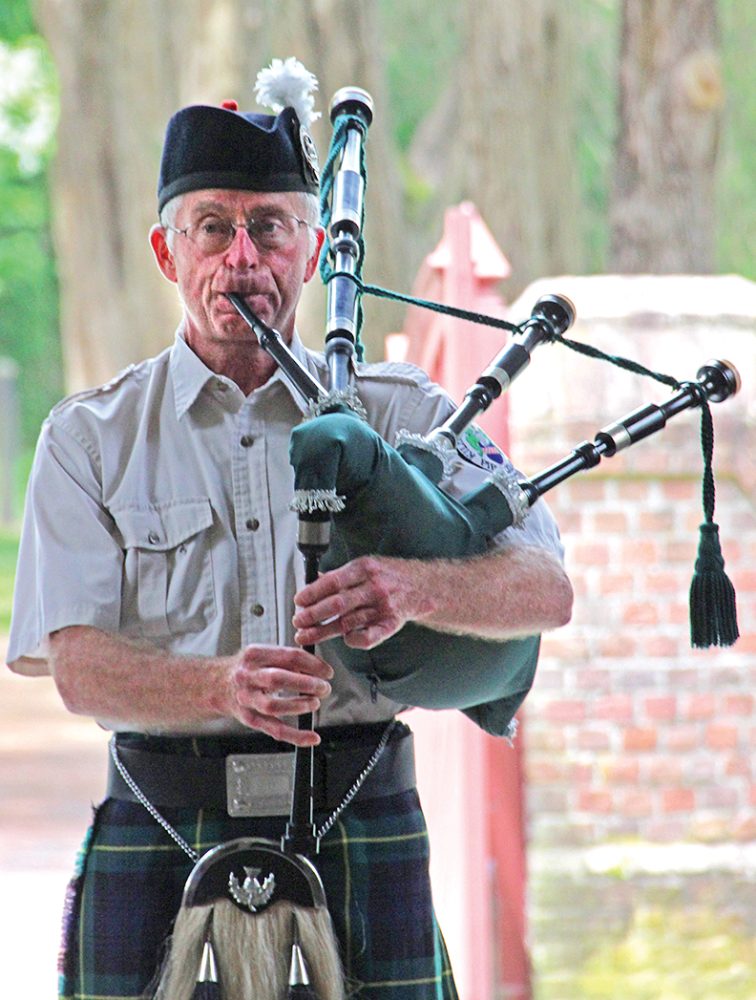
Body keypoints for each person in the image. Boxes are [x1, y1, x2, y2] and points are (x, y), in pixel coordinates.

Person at [7, 67, 572, 1000]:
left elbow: (548, 588)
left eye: (269, 227)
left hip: (360, 802)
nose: (243, 258)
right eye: (213, 228)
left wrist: (416, 589)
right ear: (166, 250)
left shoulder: (403, 416)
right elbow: (77, 668)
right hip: (162, 810)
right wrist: (221, 684)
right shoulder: (89, 438)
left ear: (310, 250)